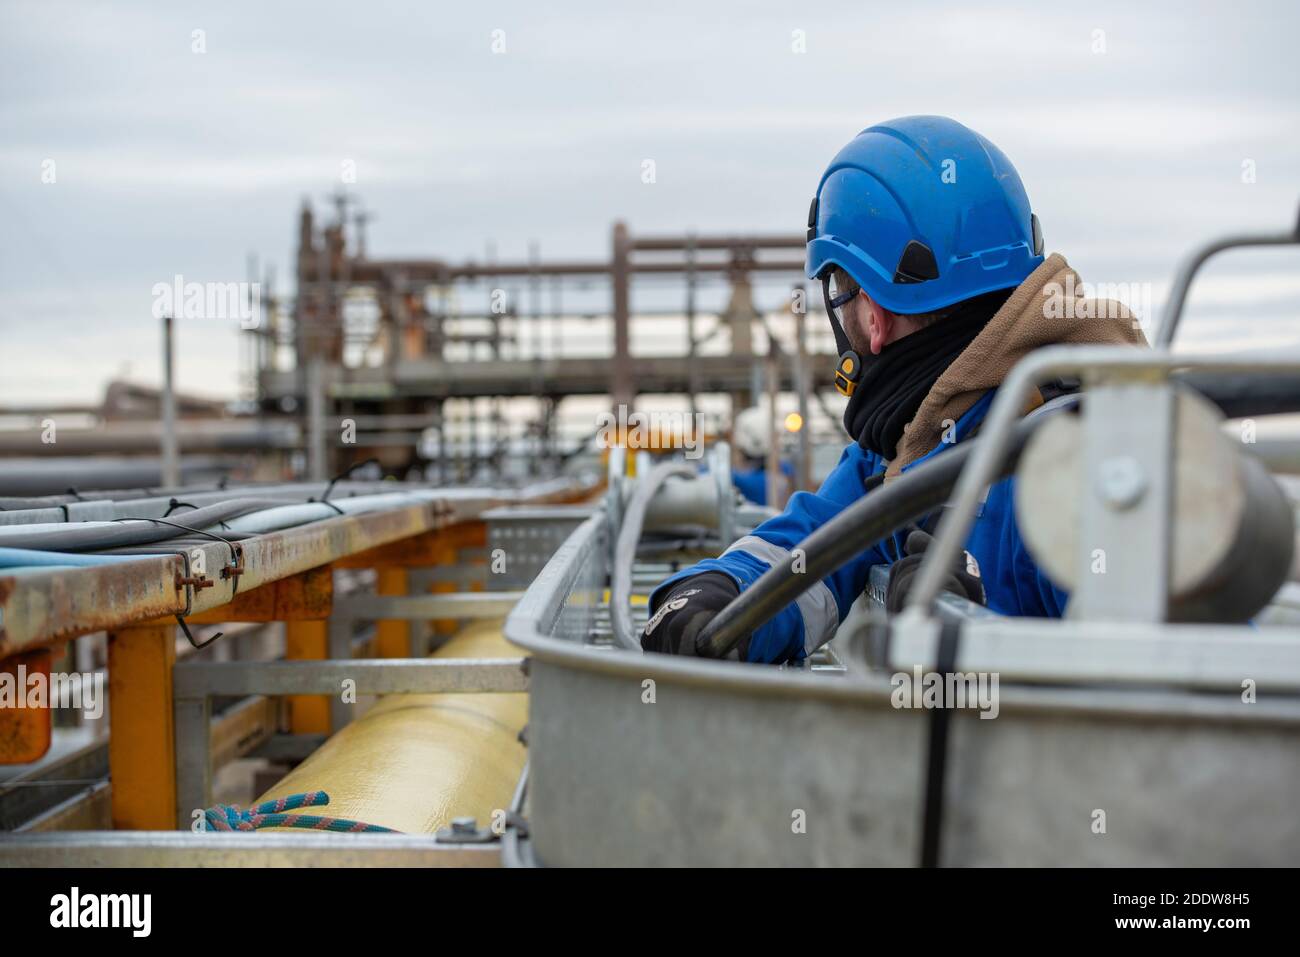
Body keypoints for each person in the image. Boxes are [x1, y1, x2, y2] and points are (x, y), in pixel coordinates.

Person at [642, 115, 1146, 663]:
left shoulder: (1078, 458)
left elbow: (1175, 697)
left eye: (839, 290)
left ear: (875, 315)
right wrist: (720, 592)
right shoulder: (907, 450)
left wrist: (973, 635)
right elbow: (810, 550)